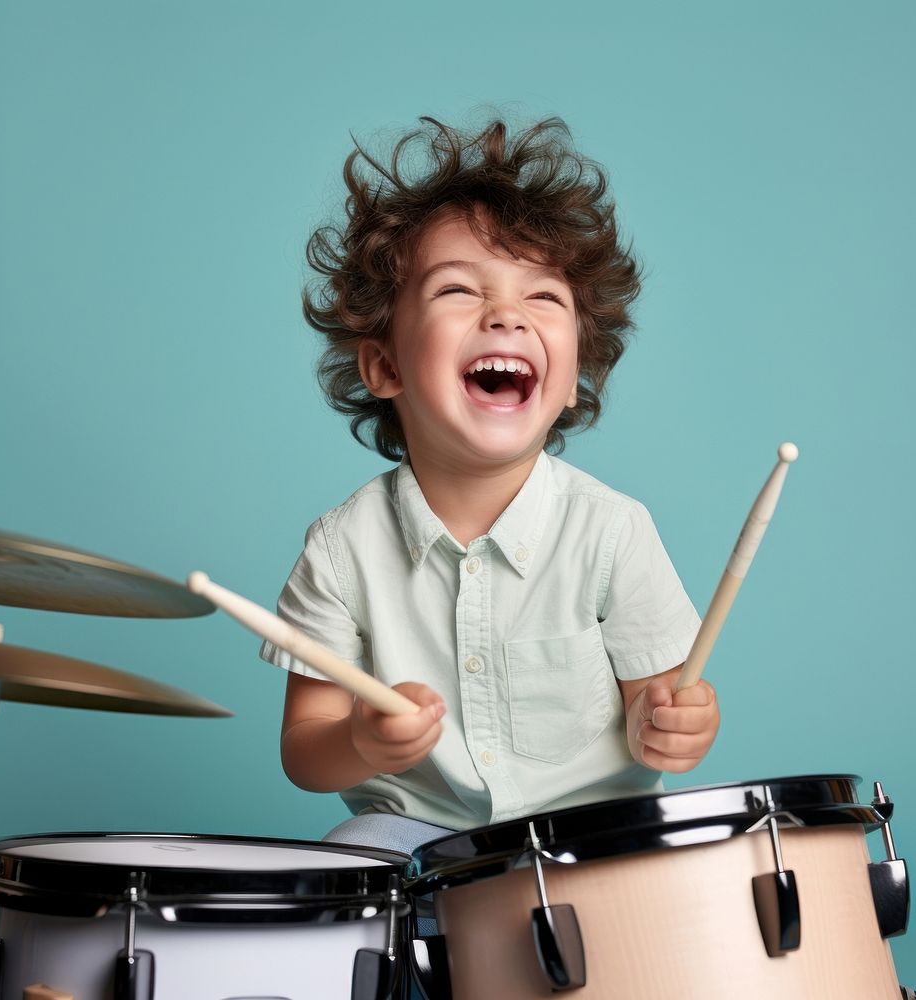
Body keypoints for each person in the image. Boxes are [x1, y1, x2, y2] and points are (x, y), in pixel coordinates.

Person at [261, 116, 720, 856]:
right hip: (415, 833)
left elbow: (658, 707)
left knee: (688, 866)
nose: (506, 314)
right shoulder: (342, 549)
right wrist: (362, 740)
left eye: (544, 298)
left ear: (573, 376)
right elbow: (304, 751)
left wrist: (675, 728)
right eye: (457, 290)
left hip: (593, 835)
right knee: (353, 858)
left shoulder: (613, 531)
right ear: (384, 367)